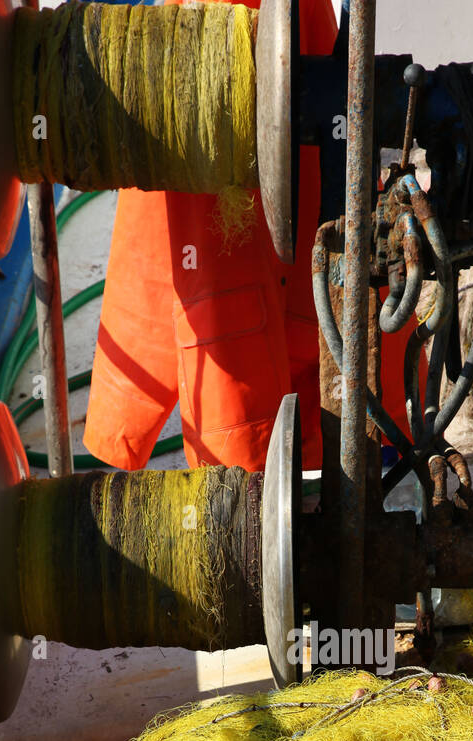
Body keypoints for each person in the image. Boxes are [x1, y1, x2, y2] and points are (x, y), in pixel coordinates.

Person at [84, 0, 414, 474]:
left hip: (281, 36)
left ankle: (327, 440)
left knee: (296, 247)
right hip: (208, 53)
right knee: (228, 263)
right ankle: (259, 481)